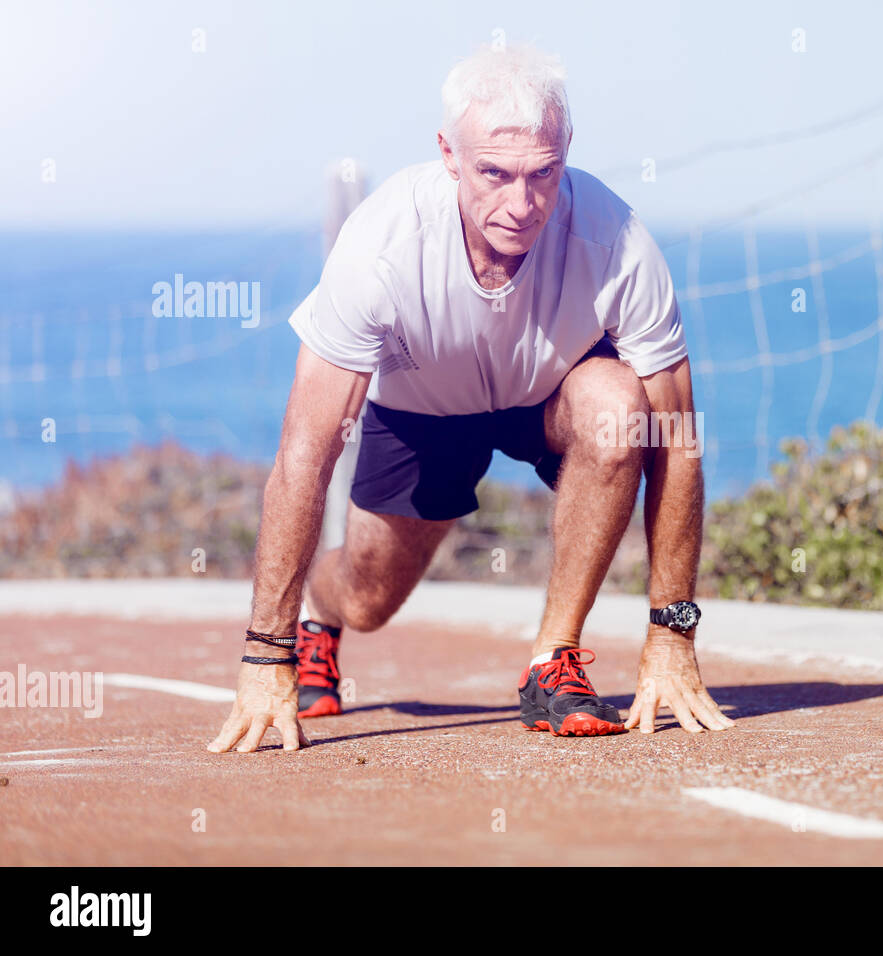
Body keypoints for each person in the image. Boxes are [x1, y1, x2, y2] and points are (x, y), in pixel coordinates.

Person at [207, 43, 735, 753]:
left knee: (620, 409)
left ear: (566, 150)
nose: (522, 205)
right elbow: (306, 451)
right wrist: (265, 655)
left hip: (550, 395)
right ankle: (315, 620)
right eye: (495, 173)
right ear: (449, 154)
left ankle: (555, 662)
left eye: (544, 174)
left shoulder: (618, 241)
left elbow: (678, 442)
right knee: (367, 598)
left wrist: (672, 636)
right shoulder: (381, 249)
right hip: (425, 410)